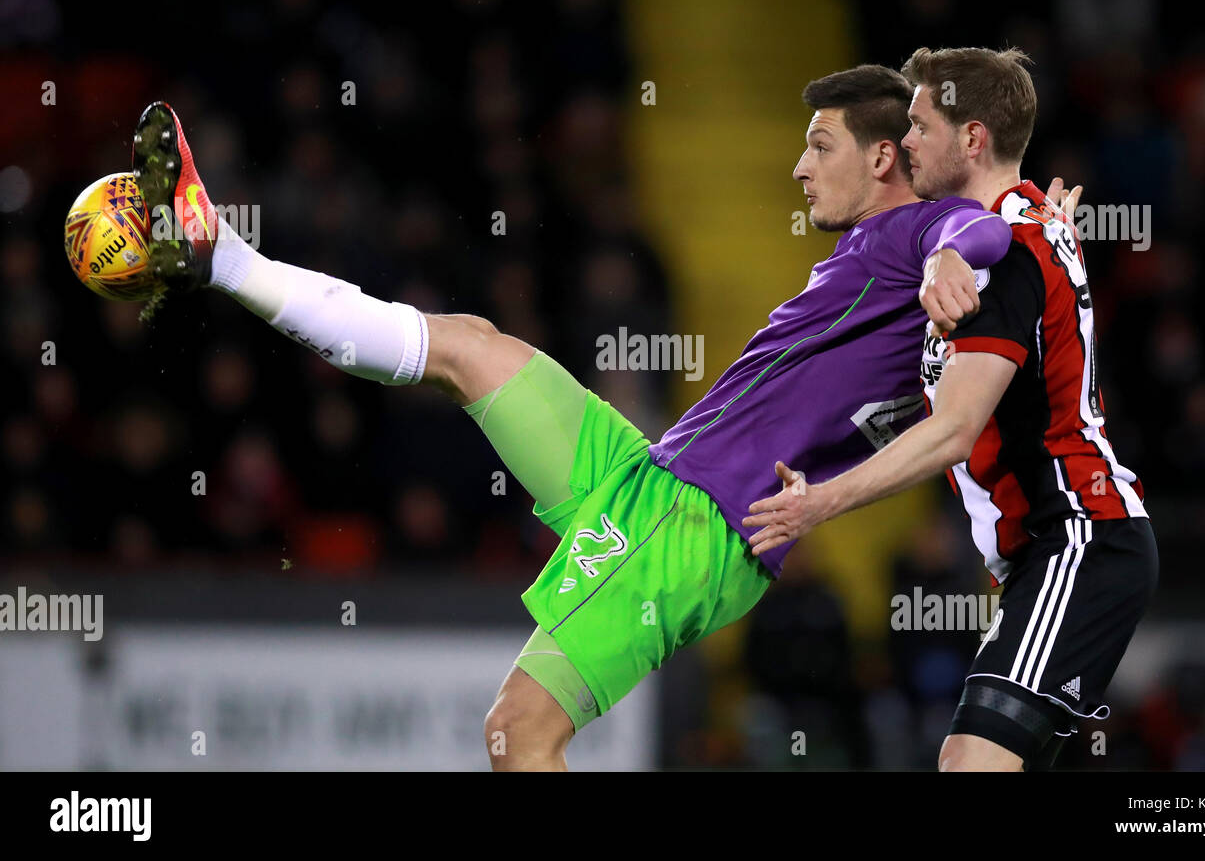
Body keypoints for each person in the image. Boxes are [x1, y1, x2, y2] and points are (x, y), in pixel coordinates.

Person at [126, 63, 1011, 770]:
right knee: (468, 346)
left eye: (819, 145)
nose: (799, 166)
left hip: (694, 521)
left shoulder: (920, 238)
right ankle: (221, 254)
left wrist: (953, 256)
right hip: (653, 471)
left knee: (519, 733)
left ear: (884, 158)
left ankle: (221, 257)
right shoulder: (886, 248)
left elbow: (979, 230)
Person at [743, 47, 1158, 772]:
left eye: (920, 126)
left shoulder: (1003, 255)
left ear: (972, 139)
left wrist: (821, 504)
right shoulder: (1021, 225)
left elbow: (955, 429)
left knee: (969, 763)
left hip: (1078, 540)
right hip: (1050, 551)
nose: (904, 144)